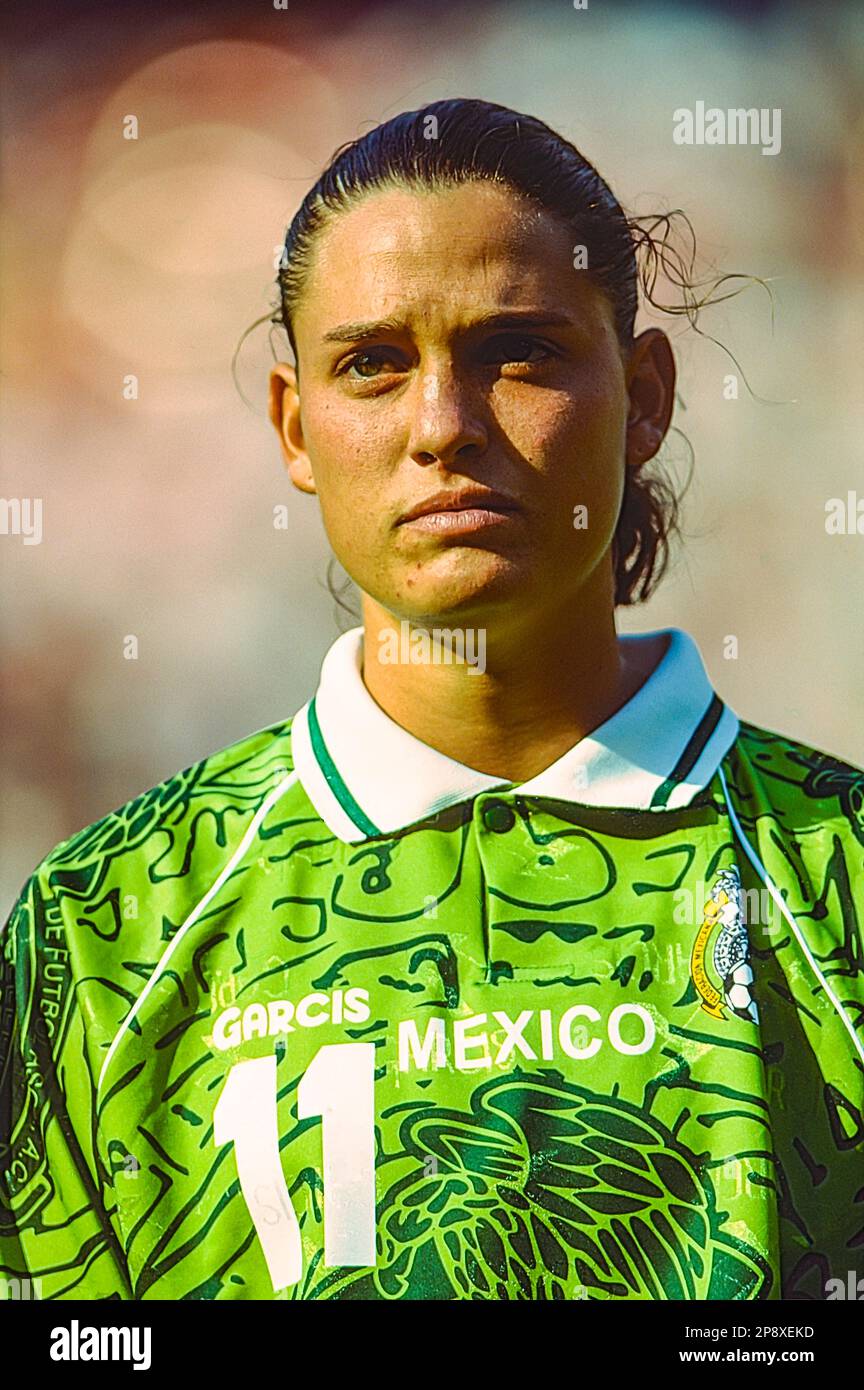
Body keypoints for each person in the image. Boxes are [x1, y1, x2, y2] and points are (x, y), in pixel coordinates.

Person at [1, 98, 862, 1303]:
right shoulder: (103, 932)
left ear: (647, 395)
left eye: (521, 351)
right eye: (373, 364)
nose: (443, 427)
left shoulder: (845, 884)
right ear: (296, 430)